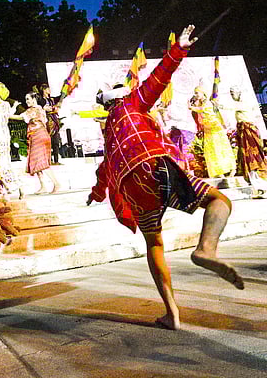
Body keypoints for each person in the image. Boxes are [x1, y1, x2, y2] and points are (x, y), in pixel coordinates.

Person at [88, 26, 244, 331]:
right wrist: (179, 49)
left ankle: (171, 313)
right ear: (123, 97)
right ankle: (206, 250)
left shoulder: (109, 136)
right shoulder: (133, 104)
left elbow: (103, 174)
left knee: (154, 244)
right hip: (153, 165)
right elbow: (159, 79)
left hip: (133, 189)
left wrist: (95, 195)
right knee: (219, 200)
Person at [191, 84, 236, 178]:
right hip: (208, 130)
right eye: (195, 93)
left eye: (197, 93)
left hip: (215, 128)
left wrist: (192, 107)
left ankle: (232, 169)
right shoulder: (201, 103)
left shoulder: (207, 102)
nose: (196, 95)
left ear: (203, 93)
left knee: (221, 148)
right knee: (213, 150)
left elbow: (202, 110)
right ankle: (219, 172)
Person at [22, 92, 61, 194]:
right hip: (41, 135)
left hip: (38, 136)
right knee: (37, 161)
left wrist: (5, 114)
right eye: (26, 99)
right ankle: (43, 186)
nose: (27, 101)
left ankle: (56, 183)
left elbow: (21, 118)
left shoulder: (33, 111)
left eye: (28, 99)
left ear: (34, 99)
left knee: (42, 162)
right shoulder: (41, 109)